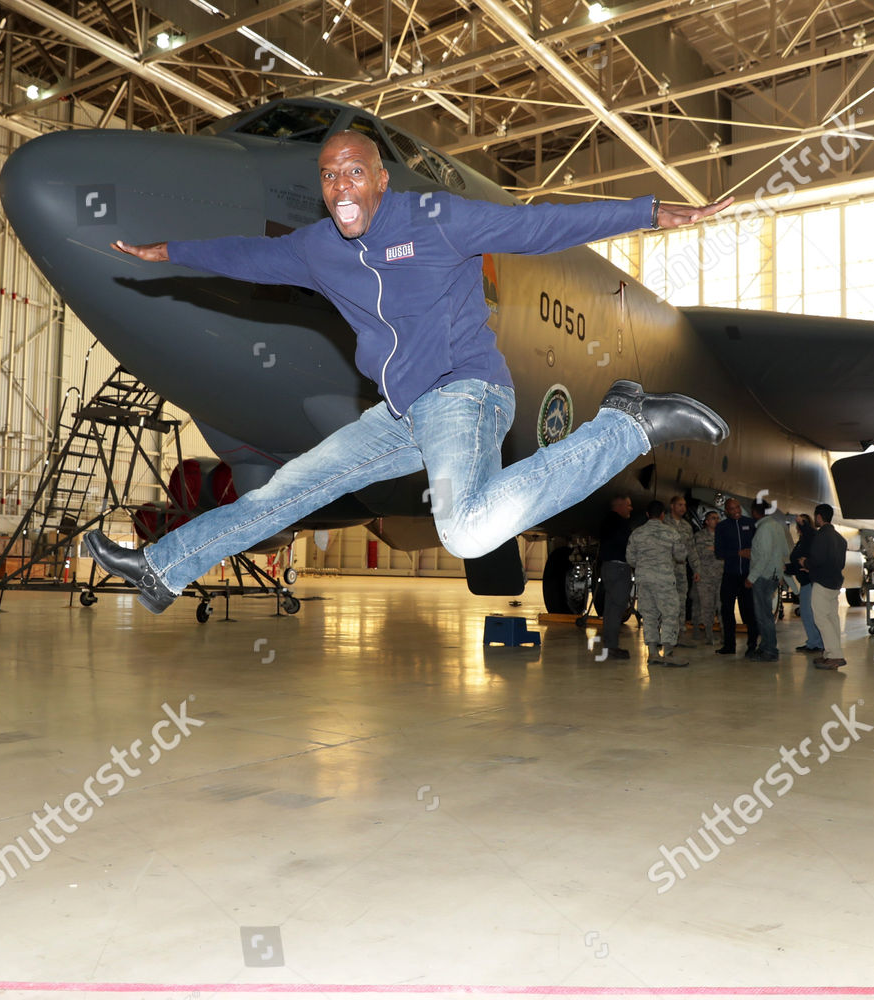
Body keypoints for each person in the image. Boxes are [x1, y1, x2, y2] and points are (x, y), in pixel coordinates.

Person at [86, 130, 733, 614]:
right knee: (285, 493)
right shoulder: (316, 248)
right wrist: (169, 250)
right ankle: (160, 569)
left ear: (380, 180)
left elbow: (536, 225)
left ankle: (625, 425)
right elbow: (247, 255)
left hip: (465, 392)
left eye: (356, 172)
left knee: (467, 529)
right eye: (331, 175)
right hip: (399, 415)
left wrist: (646, 212)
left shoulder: (435, 219)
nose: (343, 186)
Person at [627, 500, 689, 667]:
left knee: (649, 615)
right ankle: (668, 653)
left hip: (644, 580)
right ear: (662, 514)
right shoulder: (671, 532)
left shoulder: (637, 533)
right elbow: (681, 556)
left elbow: (630, 559)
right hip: (664, 580)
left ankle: (653, 653)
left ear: (647, 514)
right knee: (670, 614)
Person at [744, 501, 788, 661]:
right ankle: (765, 647)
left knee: (763, 616)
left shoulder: (763, 529)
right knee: (765, 614)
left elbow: (763, 557)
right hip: (774, 575)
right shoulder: (777, 527)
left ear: (755, 512)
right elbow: (784, 551)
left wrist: (751, 578)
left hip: (763, 577)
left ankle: (770, 650)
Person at [713, 497, 757, 655]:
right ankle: (729, 645)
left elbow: (758, 548)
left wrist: (752, 556)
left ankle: (752, 645)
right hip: (730, 575)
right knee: (727, 611)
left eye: (737, 507)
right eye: (732, 509)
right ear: (726, 511)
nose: (736, 511)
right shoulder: (722, 527)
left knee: (749, 611)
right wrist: (737, 553)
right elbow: (718, 552)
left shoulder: (751, 524)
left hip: (747, 575)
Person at [808, 503, 848, 670]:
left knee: (822, 619)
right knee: (832, 618)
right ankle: (830, 653)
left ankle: (835, 656)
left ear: (819, 517)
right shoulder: (840, 539)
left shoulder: (821, 536)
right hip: (835, 584)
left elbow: (816, 559)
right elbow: (841, 563)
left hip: (822, 583)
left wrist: (806, 563)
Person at [599, 495, 637, 659]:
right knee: (616, 608)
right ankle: (612, 647)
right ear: (619, 505)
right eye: (628, 505)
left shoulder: (608, 521)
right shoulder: (619, 524)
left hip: (609, 567)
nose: (631, 508)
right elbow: (627, 544)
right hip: (619, 568)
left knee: (610, 608)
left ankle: (608, 644)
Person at [663, 495, 699, 646]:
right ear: (672, 506)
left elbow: (691, 550)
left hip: (681, 570)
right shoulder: (663, 523)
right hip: (665, 569)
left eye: (684, 505)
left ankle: (680, 635)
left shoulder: (686, 526)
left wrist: (697, 568)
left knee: (681, 601)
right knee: (665, 602)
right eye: (679, 505)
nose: (683, 508)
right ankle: (664, 635)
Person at [790, 513, 824, 654]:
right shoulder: (802, 541)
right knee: (806, 613)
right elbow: (797, 561)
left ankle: (816, 643)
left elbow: (812, 534)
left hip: (810, 582)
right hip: (804, 582)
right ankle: (813, 642)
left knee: (809, 613)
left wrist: (802, 523)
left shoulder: (810, 539)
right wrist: (788, 568)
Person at [693, 510, 725, 645]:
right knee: (707, 607)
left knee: (722, 607)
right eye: (713, 518)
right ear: (706, 521)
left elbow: (726, 552)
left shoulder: (723, 536)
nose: (716, 520)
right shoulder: (699, 536)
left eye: (717, 518)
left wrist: (713, 549)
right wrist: (715, 549)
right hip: (705, 577)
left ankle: (725, 636)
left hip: (721, 576)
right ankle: (709, 636)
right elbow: (699, 552)